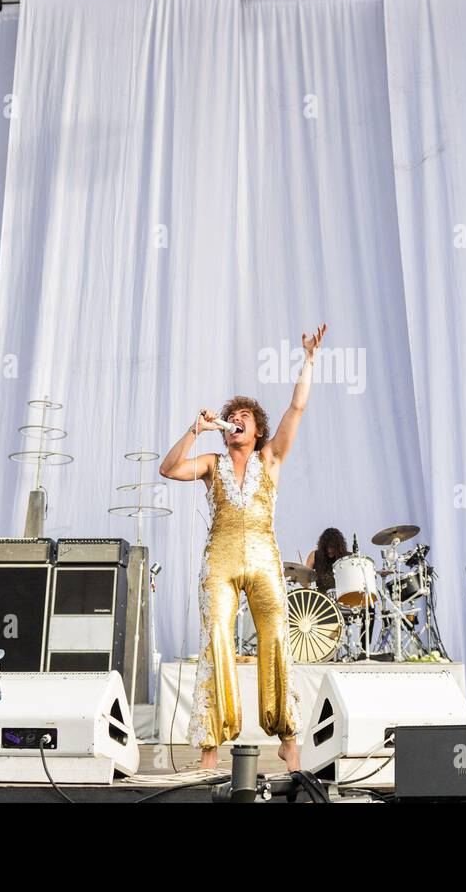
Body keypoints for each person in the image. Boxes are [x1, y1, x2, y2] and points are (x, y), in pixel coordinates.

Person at [160, 323, 326, 772]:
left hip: (263, 562)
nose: (236, 422)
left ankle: (290, 741)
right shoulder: (211, 464)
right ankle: (210, 749)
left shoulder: (269, 459)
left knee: (276, 639)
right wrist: (194, 430)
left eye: (244, 417)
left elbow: (298, 406)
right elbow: (169, 469)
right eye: (231, 417)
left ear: (256, 429)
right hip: (220, 563)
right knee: (216, 642)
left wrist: (308, 359)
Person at [305, 527, 348, 593]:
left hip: (344, 598)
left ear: (338, 546)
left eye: (332, 547)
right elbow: (306, 579)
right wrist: (304, 579)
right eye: (326, 547)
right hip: (322, 600)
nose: (329, 550)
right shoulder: (314, 555)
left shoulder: (348, 558)